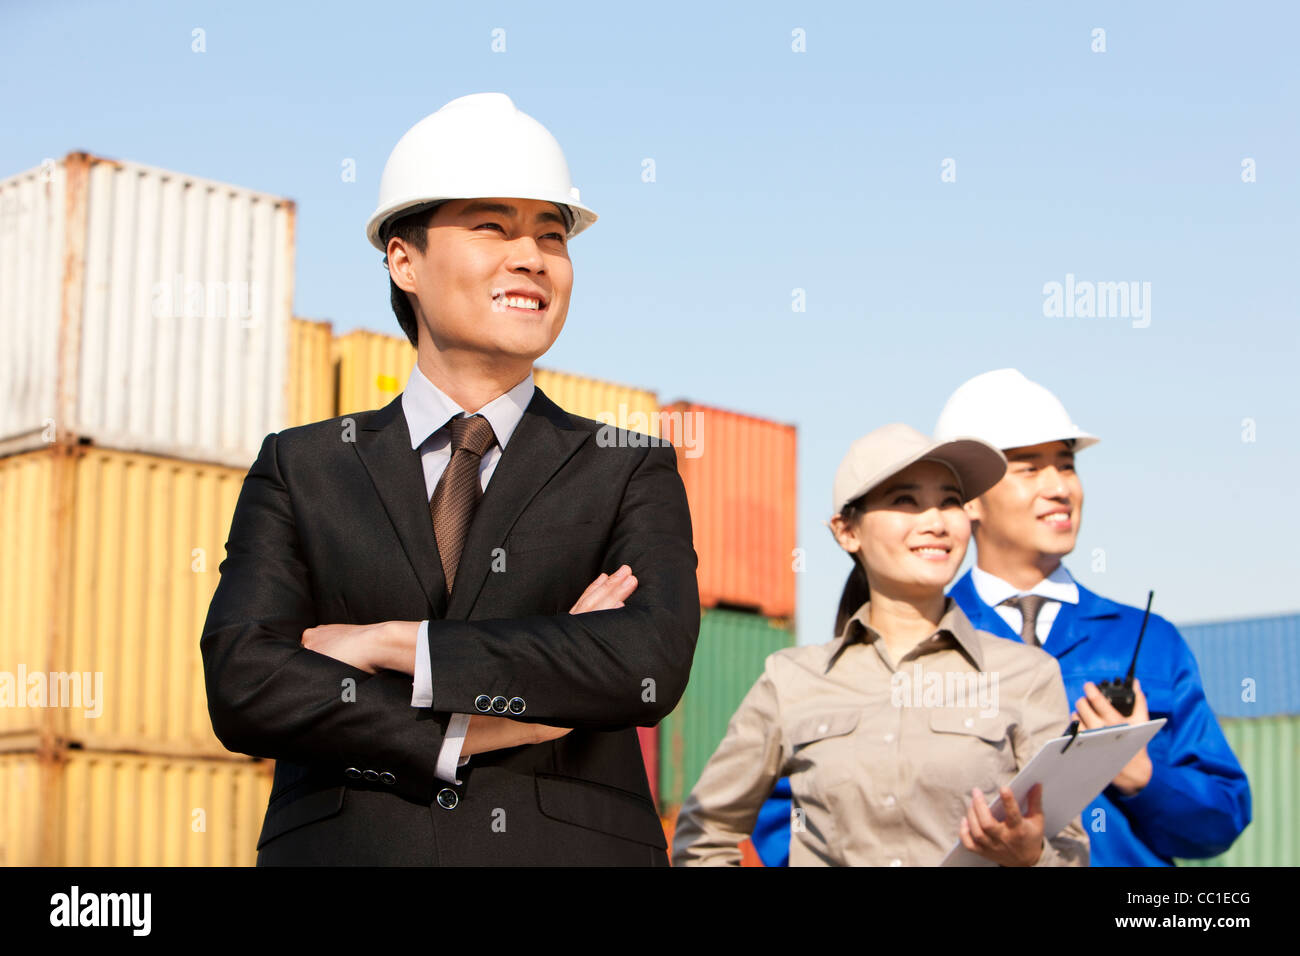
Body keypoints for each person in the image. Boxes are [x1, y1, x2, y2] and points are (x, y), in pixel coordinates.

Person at [201, 93, 700, 866]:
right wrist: (476, 729)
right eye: (492, 227)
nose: (530, 256)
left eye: (551, 235)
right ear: (404, 258)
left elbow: (643, 663)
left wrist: (392, 643)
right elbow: (245, 680)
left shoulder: (628, 465)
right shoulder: (303, 466)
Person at [671, 424, 1089, 866]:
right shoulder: (791, 680)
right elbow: (704, 835)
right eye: (905, 501)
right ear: (847, 531)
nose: (935, 522)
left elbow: (1071, 852)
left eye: (949, 501)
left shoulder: (1028, 676)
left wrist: (1030, 857)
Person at [934, 368, 1251, 866]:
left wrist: (1143, 776)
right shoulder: (922, 643)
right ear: (968, 499)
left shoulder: (1148, 642)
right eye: (1030, 469)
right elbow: (811, 813)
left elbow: (1222, 819)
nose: (1060, 487)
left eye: (1066, 465)